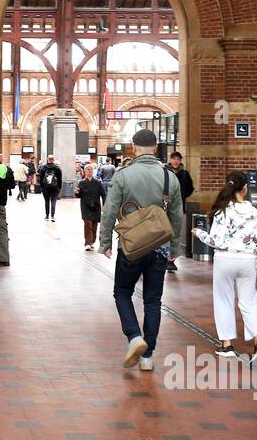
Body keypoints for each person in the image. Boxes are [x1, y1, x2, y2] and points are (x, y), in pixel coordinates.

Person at [99, 129, 185, 371]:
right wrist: (176, 247)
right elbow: (177, 216)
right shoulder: (170, 177)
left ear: (133, 148)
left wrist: (105, 241)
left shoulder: (123, 175)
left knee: (122, 292)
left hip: (131, 246)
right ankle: (147, 358)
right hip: (160, 246)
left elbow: (109, 210)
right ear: (156, 147)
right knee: (153, 300)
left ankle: (134, 336)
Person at [194, 171, 257, 360]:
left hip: (225, 259)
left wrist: (199, 233)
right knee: (249, 301)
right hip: (247, 260)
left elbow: (214, 240)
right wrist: (256, 263)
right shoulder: (254, 212)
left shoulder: (222, 211)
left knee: (224, 300)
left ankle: (226, 345)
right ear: (245, 188)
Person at [166, 151, 196, 273]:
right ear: (170, 159)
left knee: (175, 233)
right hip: (165, 207)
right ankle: (162, 257)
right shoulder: (165, 172)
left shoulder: (184, 174)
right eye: (174, 159)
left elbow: (190, 188)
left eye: (178, 159)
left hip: (179, 207)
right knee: (164, 232)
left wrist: (182, 196)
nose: (176, 161)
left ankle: (171, 260)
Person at [76, 162, 105, 251]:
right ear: (84, 171)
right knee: (87, 223)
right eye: (88, 169)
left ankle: (92, 241)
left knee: (94, 224)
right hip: (85, 206)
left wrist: (104, 204)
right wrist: (77, 193)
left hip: (96, 206)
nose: (90, 171)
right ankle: (87, 243)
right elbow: (79, 195)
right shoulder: (81, 183)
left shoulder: (98, 182)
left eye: (91, 169)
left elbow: (103, 194)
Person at [38, 155, 63, 221]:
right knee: (53, 201)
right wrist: (59, 186)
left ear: (47, 159)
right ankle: (52, 216)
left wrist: (41, 186)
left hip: (45, 187)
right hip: (55, 187)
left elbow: (40, 178)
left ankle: (46, 216)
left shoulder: (43, 167)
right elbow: (60, 179)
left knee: (46, 201)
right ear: (54, 159)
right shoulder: (57, 168)